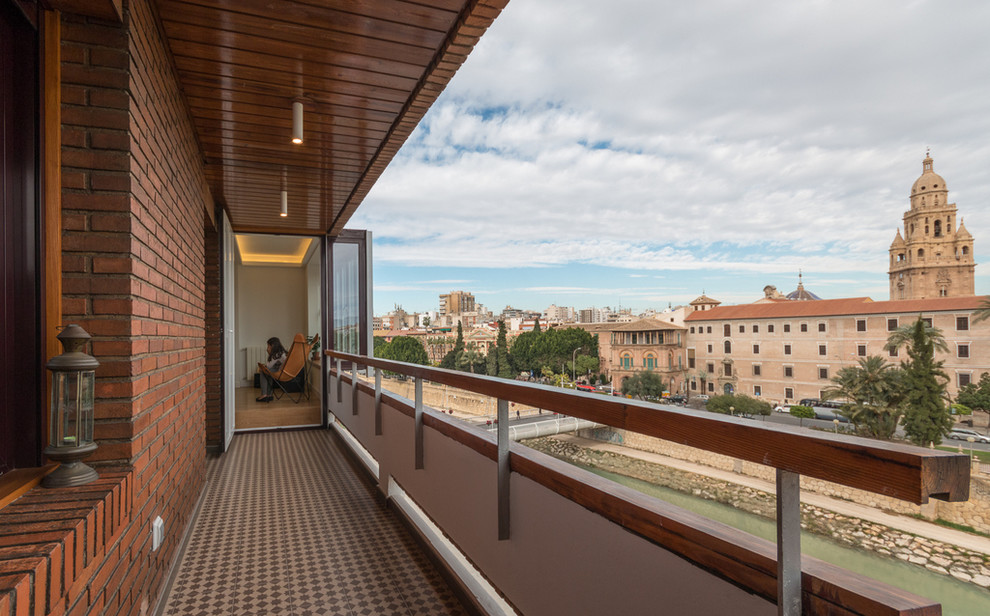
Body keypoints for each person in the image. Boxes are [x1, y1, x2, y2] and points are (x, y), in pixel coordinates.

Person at [256, 337, 287, 402]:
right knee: (268, 372)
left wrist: (269, 353)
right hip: (284, 371)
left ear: (272, 346)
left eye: (268, 346)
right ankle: (269, 395)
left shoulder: (276, 354)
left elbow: (268, 366)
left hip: (281, 373)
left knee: (263, 371)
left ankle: (264, 394)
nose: (267, 347)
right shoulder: (282, 352)